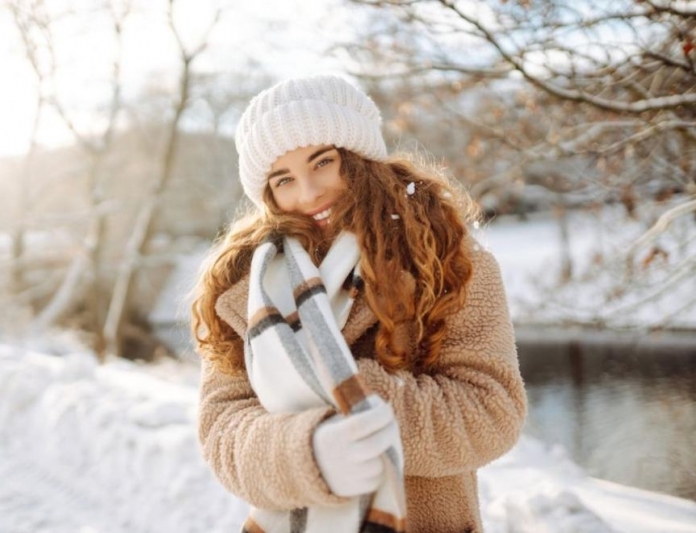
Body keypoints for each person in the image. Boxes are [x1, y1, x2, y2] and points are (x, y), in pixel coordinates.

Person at [191, 74, 527, 533]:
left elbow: (493, 409)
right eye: (284, 178)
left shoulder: (449, 260)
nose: (308, 194)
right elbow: (222, 430)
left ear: (359, 156)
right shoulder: (247, 284)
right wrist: (308, 452)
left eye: (322, 162)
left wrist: (355, 396)